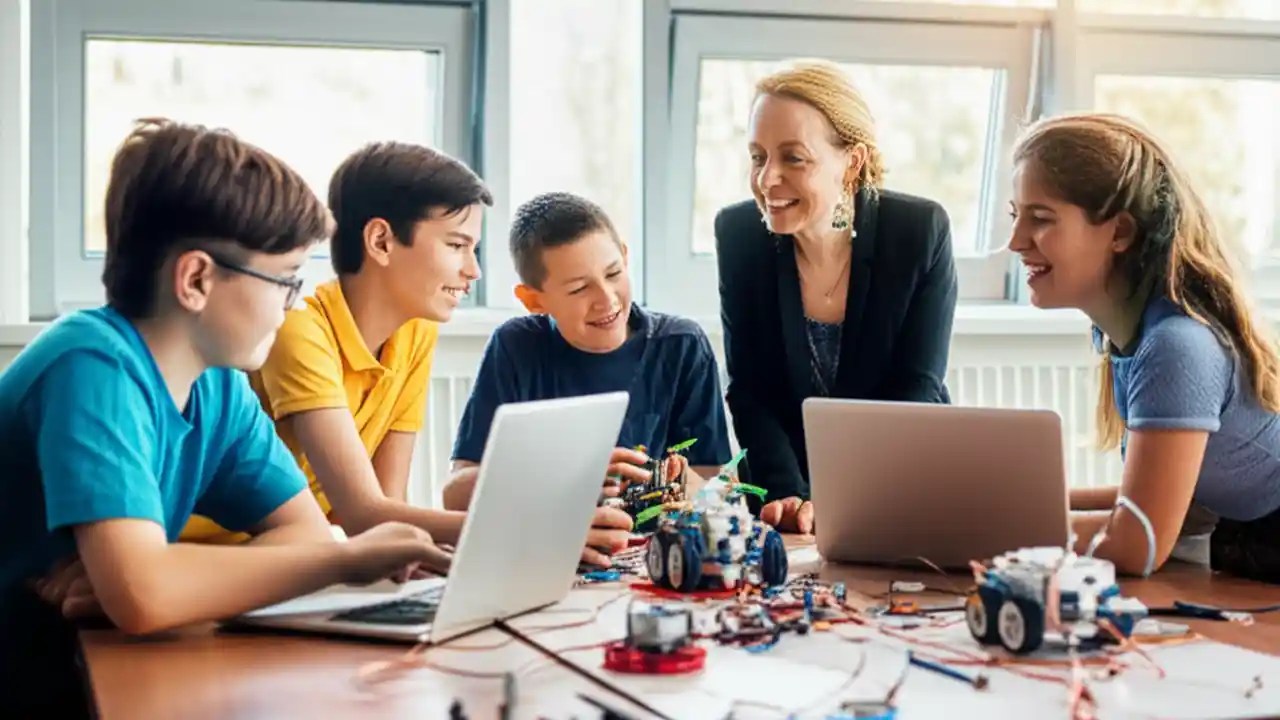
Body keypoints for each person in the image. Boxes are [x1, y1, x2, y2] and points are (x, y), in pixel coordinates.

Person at [0, 120, 448, 714]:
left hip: (78, 665)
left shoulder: (218, 386)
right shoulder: (92, 366)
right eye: (284, 280)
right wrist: (346, 560)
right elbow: (147, 596)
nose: (291, 306)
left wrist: (167, 580)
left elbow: (302, 534)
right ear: (196, 279)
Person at [180, 144, 635, 568]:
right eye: (456, 245)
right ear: (380, 241)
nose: (473, 270)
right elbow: (363, 513)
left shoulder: (415, 332)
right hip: (224, 559)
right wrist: (534, 532)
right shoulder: (301, 330)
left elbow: (387, 509)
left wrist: (424, 558)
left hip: (302, 556)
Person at [1009, 112, 1280, 581]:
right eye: (1016, 217)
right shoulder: (1127, 334)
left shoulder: (1176, 346)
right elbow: (1142, 506)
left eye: (1041, 219)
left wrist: (982, 528)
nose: (1015, 242)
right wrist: (1013, 503)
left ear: (1119, 232)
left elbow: (1138, 543)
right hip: (1247, 542)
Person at [715, 59, 958, 532]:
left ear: (852, 162)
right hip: (784, 491)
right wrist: (789, 493)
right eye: (758, 156)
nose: (767, 179)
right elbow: (749, 388)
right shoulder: (739, 235)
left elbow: (917, 387)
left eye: (793, 157)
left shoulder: (918, 232)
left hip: (898, 473)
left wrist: (845, 497)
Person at [444, 192, 733, 560]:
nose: (607, 299)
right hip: (546, 554)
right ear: (535, 301)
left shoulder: (681, 346)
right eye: (579, 288)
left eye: (614, 273)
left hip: (656, 559)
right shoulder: (515, 347)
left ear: (626, 257)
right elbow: (454, 494)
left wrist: (671, 482)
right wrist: (567, 477)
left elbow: (721, 489)